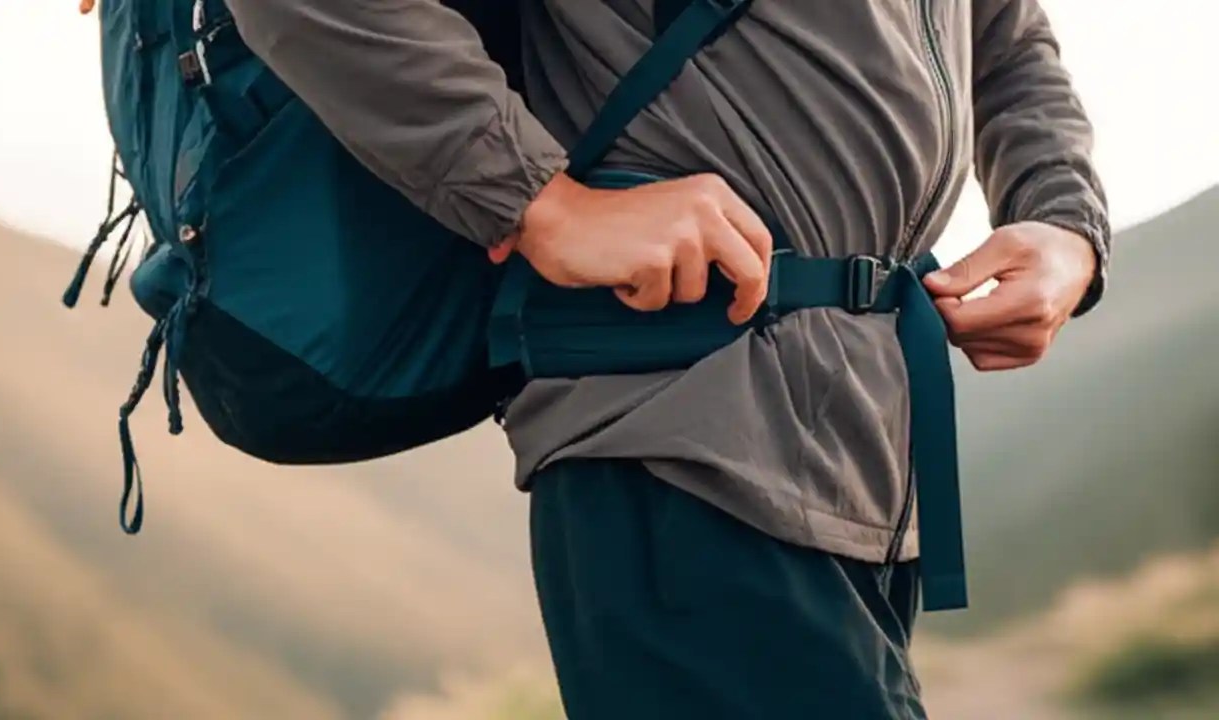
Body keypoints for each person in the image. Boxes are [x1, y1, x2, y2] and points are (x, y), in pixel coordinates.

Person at [218, 1, 1110, 717]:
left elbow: (1006, 35)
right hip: (684, 434)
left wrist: (1066, 223)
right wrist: (543, 206)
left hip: (866, 443)